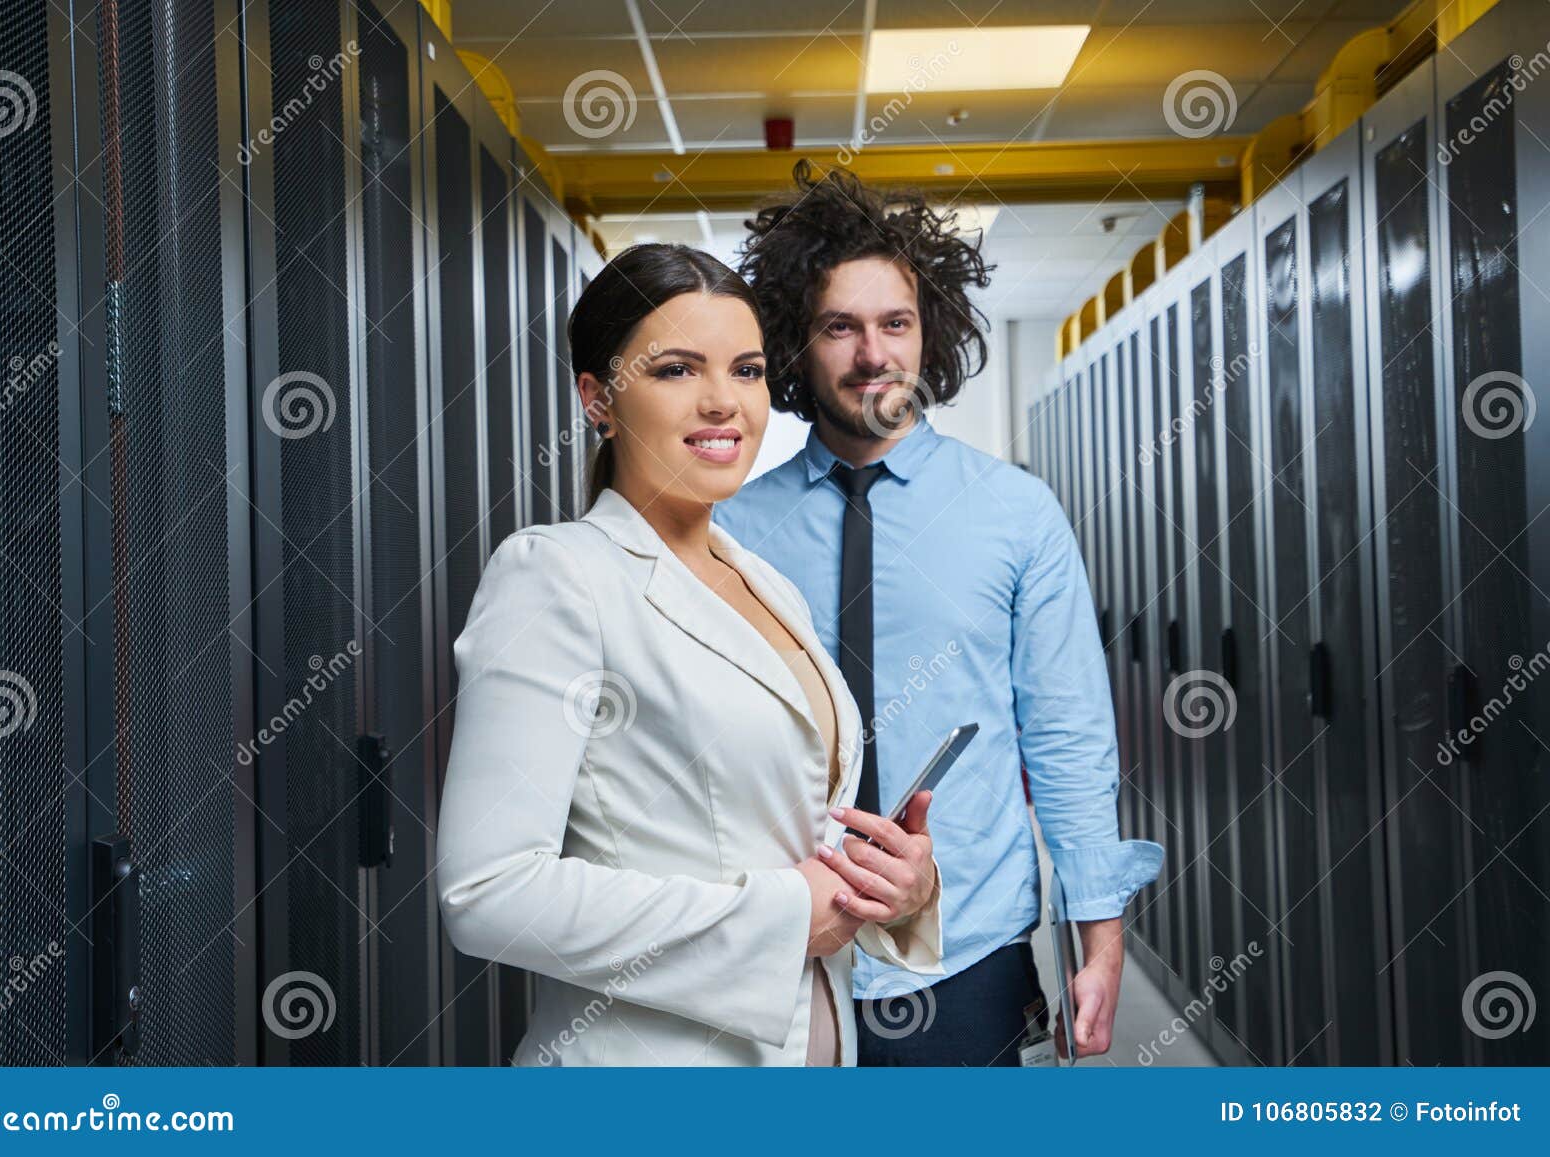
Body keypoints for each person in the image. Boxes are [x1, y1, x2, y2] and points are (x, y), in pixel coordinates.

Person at [435, 242, 943, 1066]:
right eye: (676, 370)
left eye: (745, 371)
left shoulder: (764, 582)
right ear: (598, 397)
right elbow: (488, 891)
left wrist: (897, 887)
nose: (723, 403)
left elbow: (779, 831)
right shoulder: (557, 576)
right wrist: (782, 917)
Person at [713, 161, 1165, 1066]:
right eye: (839, 326)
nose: (872, 353)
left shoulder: (1015, 512)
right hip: (783, 943)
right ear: (797, 344)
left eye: (895, 323)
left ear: (931, 336)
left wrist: (1099, 940)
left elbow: (1068, 736)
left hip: (968, 949)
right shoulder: (732, 528)